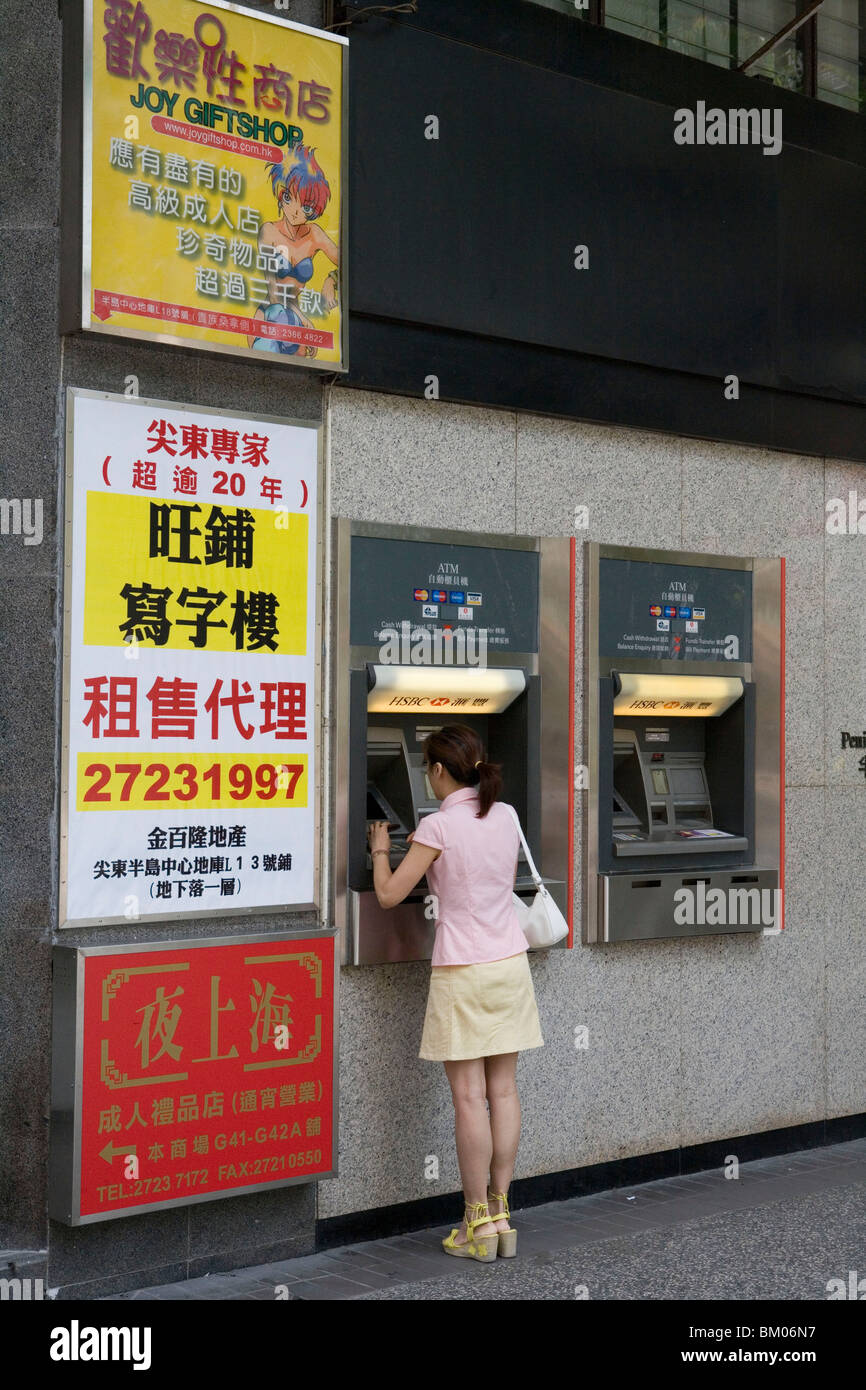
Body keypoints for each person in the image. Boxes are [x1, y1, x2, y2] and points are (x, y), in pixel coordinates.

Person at [367, 723, 544, 1263]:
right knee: (504, 1092)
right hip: (509, 963)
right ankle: (502, 1213)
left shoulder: (437, 827)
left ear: (438, 771)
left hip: (463, 968)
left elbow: (391, 895)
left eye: (426, 768)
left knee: (469, 1098)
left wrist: (380, 849)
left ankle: (475, 1225)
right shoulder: (507, 815)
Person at [247, 145, 339, 359]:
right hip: (270, 313)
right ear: (281, 193)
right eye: (289, 198)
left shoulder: (314, 234)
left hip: (295, 317)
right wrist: (303, 319)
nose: (296, 211)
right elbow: (273, 290)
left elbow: (350, 264)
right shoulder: (268, 231)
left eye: (306, 207)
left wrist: (331, 280)